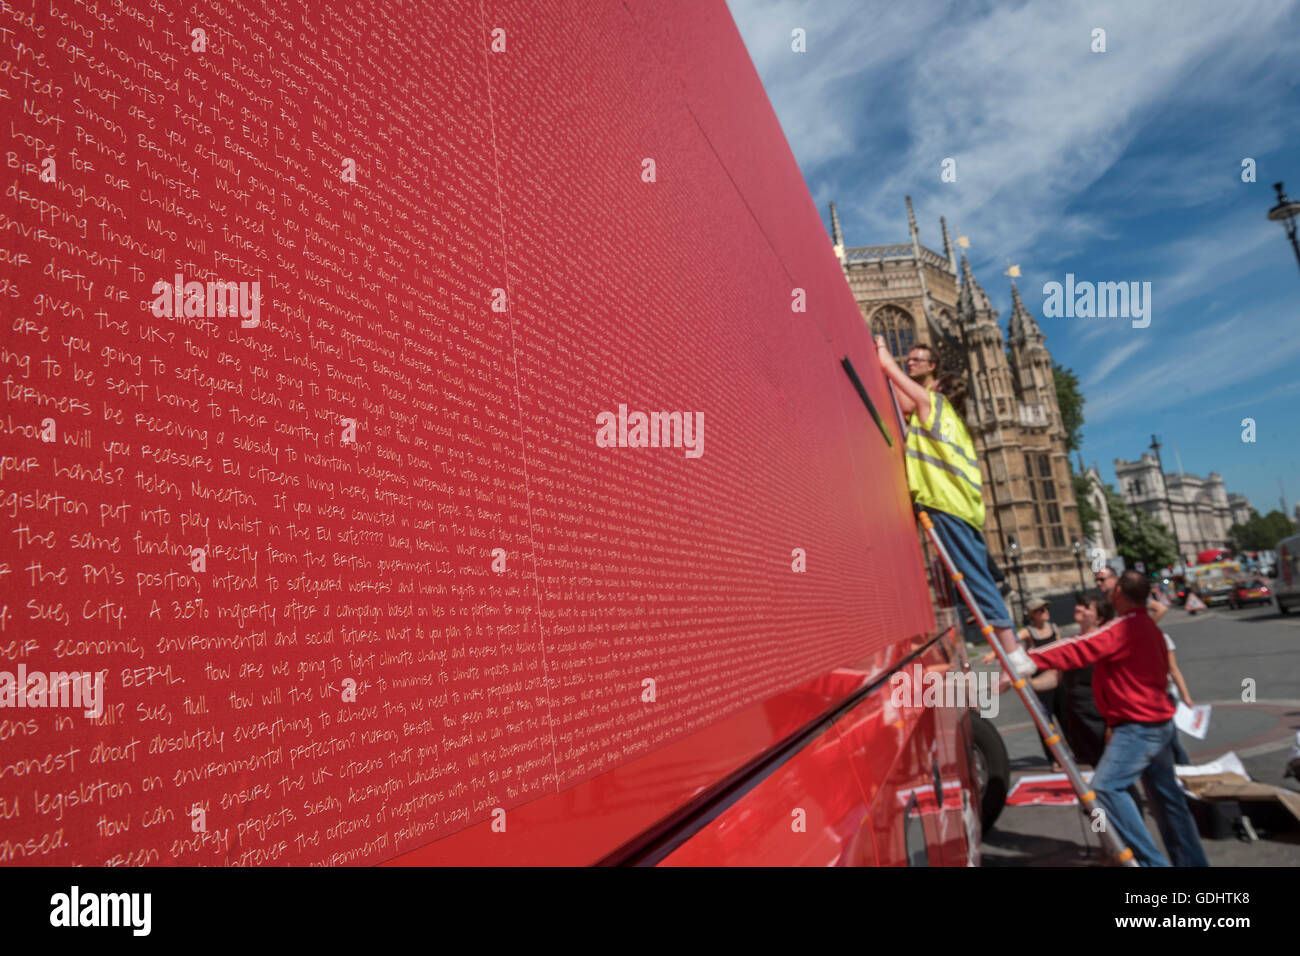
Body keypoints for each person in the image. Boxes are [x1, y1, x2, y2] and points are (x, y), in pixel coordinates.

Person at [875, 338, 1035, 679]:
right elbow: (899, 401)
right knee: (962, 576)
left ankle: (1012, 652)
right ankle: (997, 647)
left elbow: (889, 371)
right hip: (962, 506)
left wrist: (879, 349)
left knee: (974, 579)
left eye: (917, 359)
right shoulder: (948, 418)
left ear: (936, 379)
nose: (910, 362)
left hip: (945, 503)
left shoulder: (932, 403)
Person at [1025, 571, 1209, 867]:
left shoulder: (1123, 627)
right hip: (1151, 722)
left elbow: (1080, 648)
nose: (1103, 588)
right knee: (1167, 801)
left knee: (1107, 788)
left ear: (1118, 594)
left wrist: (1028, 659)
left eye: (1106, 585)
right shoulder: (1146, 626)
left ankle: (1149, 862)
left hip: (1136, 725)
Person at [1019, 597, 1063, 770]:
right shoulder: (1028, 632)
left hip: (1058, 679)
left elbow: (1062, 650)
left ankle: (1075, 753)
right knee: (1045, 722)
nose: (1045, 611)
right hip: (1040, 683)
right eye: (1040, 610)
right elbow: (1011, 642)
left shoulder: (1054, 628)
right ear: (1032, 614)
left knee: (1066, 718)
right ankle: (1054, 758)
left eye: (1046, 608)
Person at [1094, 566, 1167, 624]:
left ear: (1115, 579)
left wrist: (1144, 628)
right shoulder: (1102, 598)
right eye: (1096, 580)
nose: (1098, 583)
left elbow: (1161, 609)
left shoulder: (1127, 594)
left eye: (1102, 579)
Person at [1163, 632, 1195, 765]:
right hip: (1159, 694)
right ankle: (1183, 769)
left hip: (1165, 694)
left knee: (1171, 739)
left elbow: (1173, 669)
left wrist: (1186, 696)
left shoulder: (1162, 637)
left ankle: (1185, 770)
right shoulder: (1161, 636)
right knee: (1170, 740)